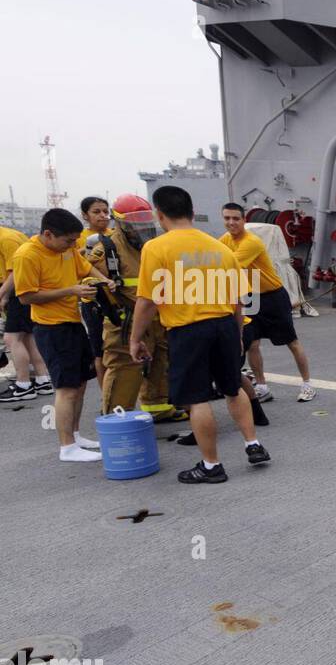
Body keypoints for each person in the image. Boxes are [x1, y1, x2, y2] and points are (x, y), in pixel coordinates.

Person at [132, 186, 269, 483]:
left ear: (159, 214)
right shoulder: (221, 248)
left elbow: (147, 301)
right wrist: (237, 334)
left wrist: (135, 339)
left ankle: (211, 465)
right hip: (224, 326)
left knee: (196, 399)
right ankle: (253, 444)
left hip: (188, 329)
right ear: (192, 213)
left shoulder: (157, 248)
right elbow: (237, 301)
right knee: (233, 387)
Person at [11, 208, 115, 461]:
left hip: (72, 322)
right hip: (51, 328)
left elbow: (86, 267)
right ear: (48, 234)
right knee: (66, 388)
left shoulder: (67, 249)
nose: (72, 246)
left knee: (79, 384)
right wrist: (71, 290)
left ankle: (76, 435)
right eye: (68, 241)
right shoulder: (27, 255)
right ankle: (66, 446)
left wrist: (104, 281)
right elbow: (26, 296)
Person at [84, 194, 184, 421]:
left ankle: (158, 409)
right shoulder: (107, 249)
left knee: (160, 362)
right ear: (120, 223)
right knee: (124, 368)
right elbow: (87, 277)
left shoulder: (155, 245)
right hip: (126, 319)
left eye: (145, 224)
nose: (141, 229)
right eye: (135, 225)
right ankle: (117, 419)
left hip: (158, 317)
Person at [219, 203, 315, 402]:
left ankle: (307, 384)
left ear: (244, 220)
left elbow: (228, 266)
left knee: (292, 342)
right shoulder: (225, 240)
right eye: (227, 218)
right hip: (250, 296)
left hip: (272, 296)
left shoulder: (251, 242)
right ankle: (262, 386)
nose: (231, 222)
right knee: (253, 343)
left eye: (236, 218)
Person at [0, 221, 52, 402]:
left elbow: (15, 272)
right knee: (27, 337)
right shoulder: (8, 236)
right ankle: (42, 379)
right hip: (19, 289)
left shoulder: (7, 239)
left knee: (11, 338)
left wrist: (2, 295)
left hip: (19, 290)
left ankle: (23, 385)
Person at [77, 196, 111, 387]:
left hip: (116, 298)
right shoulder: (79, 238)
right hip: (94, 302)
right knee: (100, 350)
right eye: (96, 212)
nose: (102, 216)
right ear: (85, 215)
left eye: (105, 211)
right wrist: (87, 249)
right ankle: (106, 397)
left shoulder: (115, 234)